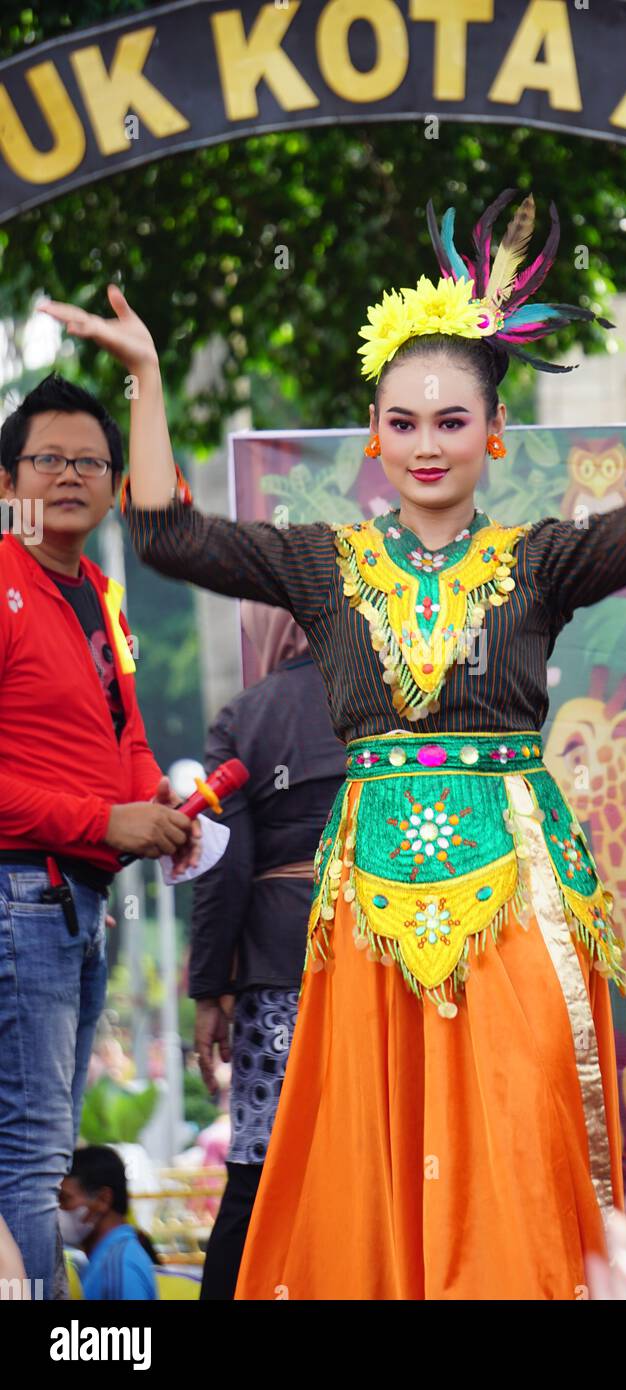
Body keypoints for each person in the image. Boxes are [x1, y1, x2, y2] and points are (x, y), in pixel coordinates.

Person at [40, 189, 626, 1299]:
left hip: (515, 890)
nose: (426, 443)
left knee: (515, 1122)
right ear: (373, 433)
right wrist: (144, 370)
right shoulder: (321, 563)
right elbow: (168, 531)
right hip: (368, 894)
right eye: (403, 421)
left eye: (450, 421)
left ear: (490, 432)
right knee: (371, 1146)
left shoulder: (538, 558)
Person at [0, 374, 199, 1300]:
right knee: (34, 1158)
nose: (71, 475)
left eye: (91, 461)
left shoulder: (103, 595)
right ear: (8, 481)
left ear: (117, 482)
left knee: (44, 1146)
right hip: (18, 892)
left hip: (76, 901)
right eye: (49, 459)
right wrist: (104, 819)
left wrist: (161, 800)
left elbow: (125, 740)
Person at [191, 602, 345, 1300]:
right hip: (389, 961)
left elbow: (223, 868)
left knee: (260, 1167)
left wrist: (208, 991)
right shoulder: (396, 710)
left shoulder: (247, 718)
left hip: (279, 967)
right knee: (376, 1161)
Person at [59, 1146, 157, 1300]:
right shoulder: (109, 1259)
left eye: (65, 1199)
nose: (58, 1210)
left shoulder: (117, 1267)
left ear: (103, 1199)